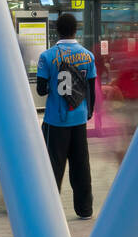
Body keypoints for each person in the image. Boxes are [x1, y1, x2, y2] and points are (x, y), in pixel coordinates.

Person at [36, 12, 97, 219]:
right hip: (79, 119)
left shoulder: (47, 56)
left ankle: (48, 210)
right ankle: (85, 209)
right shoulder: (88, 56)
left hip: (56, 120)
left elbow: (42, 90)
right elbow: (91, 89)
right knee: (81, 165)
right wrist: (88, 112)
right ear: (76, 29)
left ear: (56, 29)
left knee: (52, 165)